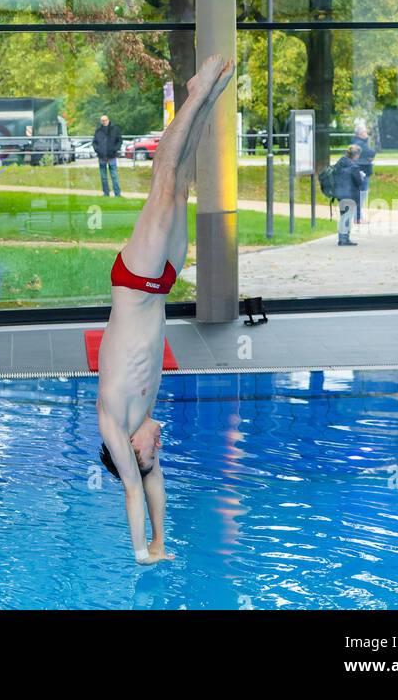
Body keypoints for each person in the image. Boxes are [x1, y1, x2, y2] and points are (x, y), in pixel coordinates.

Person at [97, 55, 234, 564]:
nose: (162, 444)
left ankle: (196, 93)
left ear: (132, 452)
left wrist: (140, 551)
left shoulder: (114, 423)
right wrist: (161, 542)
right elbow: (153, 485)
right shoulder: (144, 418)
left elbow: (134, 491)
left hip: (135, 281)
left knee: (163, 178)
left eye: (154, 452)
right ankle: (210, 100)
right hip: (163, 283)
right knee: (181, 188)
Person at [332, 144, 363, 247]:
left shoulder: (339, 163)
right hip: (350, 195)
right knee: (347, 217)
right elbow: (358, 182)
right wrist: (361, 176)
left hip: (340, 194)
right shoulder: (354, 167)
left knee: (343, 216)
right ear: (356, 155)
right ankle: (344, 239)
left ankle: (342, 237)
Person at [93, 113, 123, 198]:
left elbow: (119, 141)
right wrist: (98, 151)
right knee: (103, 177)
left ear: (108, 120)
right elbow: (94, 143)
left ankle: (117, 194)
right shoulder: (98, 131)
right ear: (101, 121)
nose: (104, 122)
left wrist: (115, 150)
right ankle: (106, 193)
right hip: (101, 157)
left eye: (105, 120)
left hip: (112, 156)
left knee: (114, 176)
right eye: (102, 120)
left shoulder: (115, 129)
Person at [352, 120, 376, 221]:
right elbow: (371, 153)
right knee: (362, 194)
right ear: (360, 134)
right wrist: (369, 157)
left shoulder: (360, 142)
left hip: (362, 171)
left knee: (361, 194)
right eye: (365, 132)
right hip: (362, 172)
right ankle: (357, 217)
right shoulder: (359, 143)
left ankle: (358, 216)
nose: (366, 134)